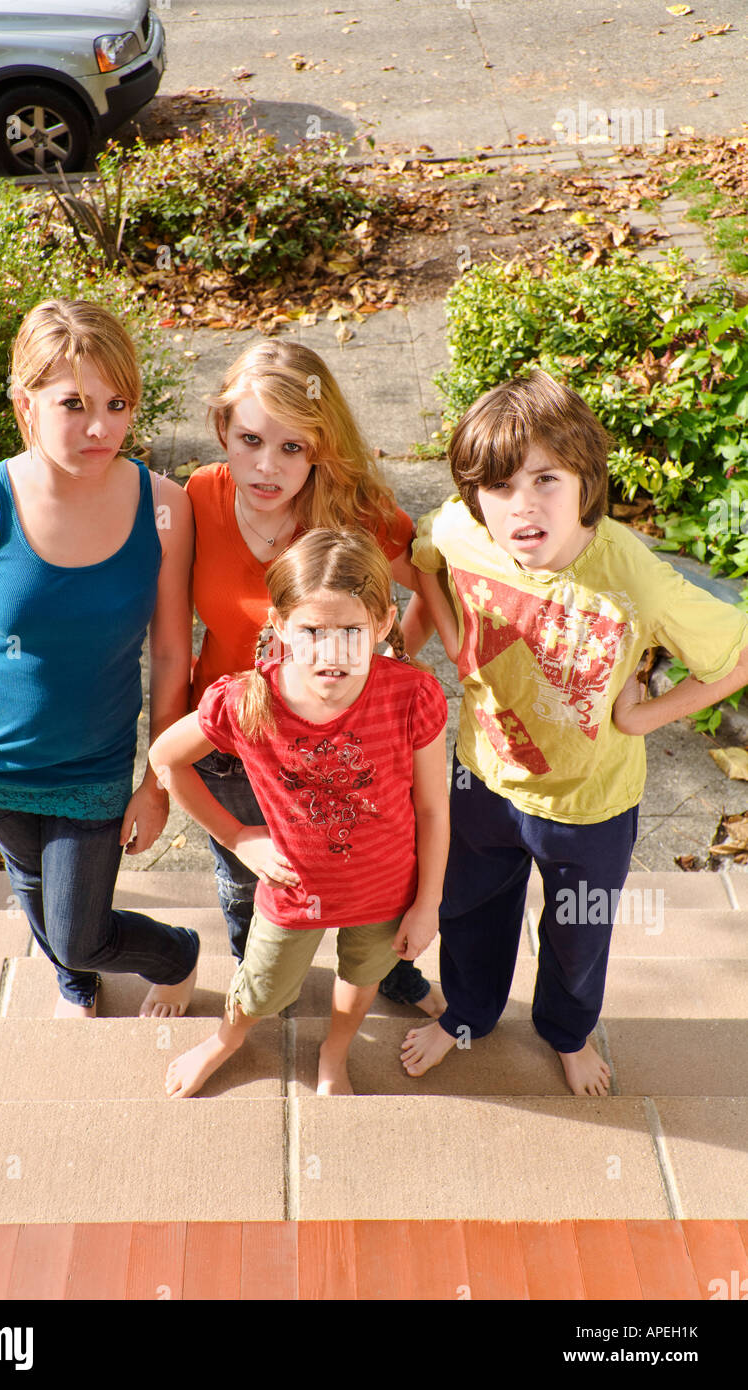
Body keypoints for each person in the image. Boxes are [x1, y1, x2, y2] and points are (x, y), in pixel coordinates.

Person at [401, 369, 748, 1096]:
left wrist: (642, 716)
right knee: (471, 910)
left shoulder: (635, 576)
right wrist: (440, 640)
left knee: (578, 935)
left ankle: (566, 1032)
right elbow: (421, 558)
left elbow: (737, 654)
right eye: (499, 488)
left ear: (587, 477)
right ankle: (466, 1013)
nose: (522, 507)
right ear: (474, 497)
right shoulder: (463, 529)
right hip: (483, 779)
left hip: (590, 805)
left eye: (546, 480)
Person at [0, 299, 199, 1019]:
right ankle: (75, 979)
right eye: (75, 404)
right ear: (25, 406)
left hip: (93, 765)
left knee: (83, 931)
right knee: (31, 883)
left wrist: (157, 780)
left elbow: (173, 650)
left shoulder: (165, 509)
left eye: (118, 404)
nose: (102, 427)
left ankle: (173, 954)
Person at [185, 338, 444, 1015]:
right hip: (232, 742)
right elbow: (164, 640)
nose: (268, 467)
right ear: (222, 430)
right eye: (250, 440)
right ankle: (261, 976)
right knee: (248, 883)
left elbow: (425, 591)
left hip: (336, 734)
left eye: (293, 448)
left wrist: (386, 667)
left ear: (320, 447)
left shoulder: (356, 516)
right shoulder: (197, 498)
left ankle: (385, 966)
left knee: (374, 861)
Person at [149, 529, 449, 1097]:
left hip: (387, 891)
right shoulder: (244, 701)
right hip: (292, 893)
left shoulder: (413, 696)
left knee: (362, 976)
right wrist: (237, 836)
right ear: (281, 624)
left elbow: (433, 809)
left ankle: (335, 1049)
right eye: (312, 630)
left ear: (384, 623)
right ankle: (227, 1040)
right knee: (260, 988)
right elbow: (166, 757)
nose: (332, 652)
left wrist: (427, 903)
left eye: (352, 632)